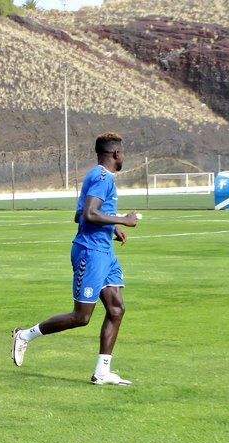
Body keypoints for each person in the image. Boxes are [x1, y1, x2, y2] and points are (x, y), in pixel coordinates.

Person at [12, 132, 139, 385]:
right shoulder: (103, 178)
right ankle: (25, 335)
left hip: (104, 252)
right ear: (116, 154)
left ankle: (102, 371)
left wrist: (112, 229)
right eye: (122, 152)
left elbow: (79, 215)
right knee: (81, 317)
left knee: (116, 308)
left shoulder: (97, 176)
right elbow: (90, 214)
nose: (123, 156)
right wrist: (123, 219)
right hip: (90, 253)